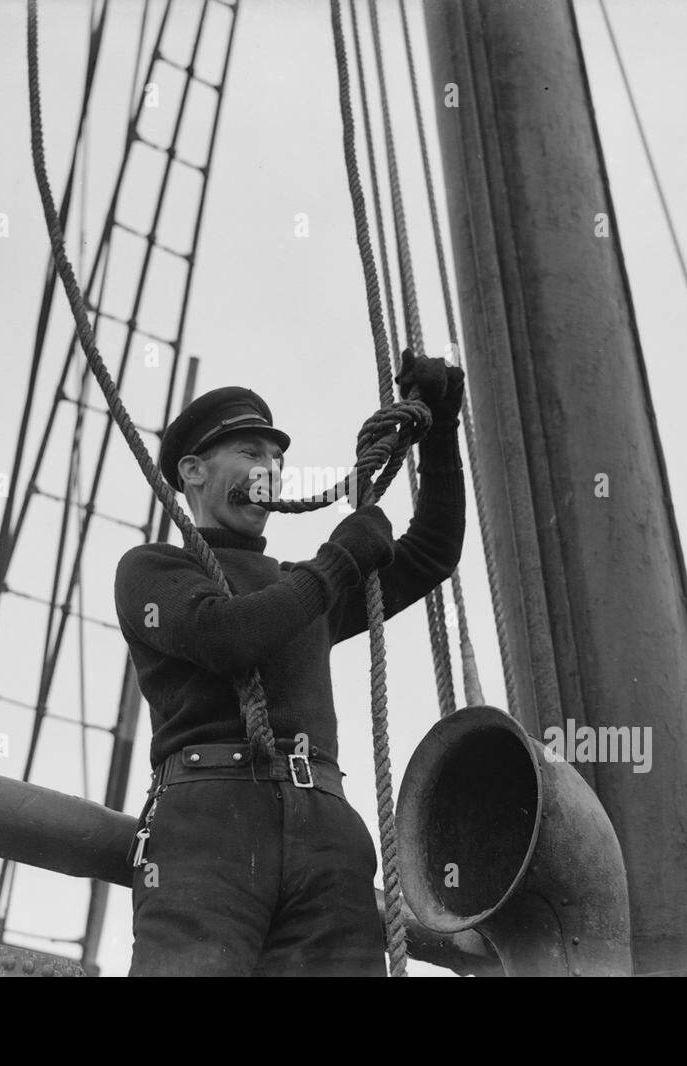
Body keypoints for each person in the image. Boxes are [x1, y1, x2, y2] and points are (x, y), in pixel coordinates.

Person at [113, 351, 466, 975]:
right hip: (208, 821)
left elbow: (434, 551)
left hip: (326, 830)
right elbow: (224, 636)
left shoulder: (303, 590)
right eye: (250, 453)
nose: (268, 470)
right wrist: (337, 563)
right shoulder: (153, 569)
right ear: (193, 471)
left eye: (275, 459)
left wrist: (440, 432)